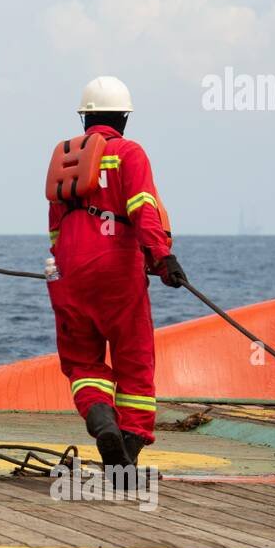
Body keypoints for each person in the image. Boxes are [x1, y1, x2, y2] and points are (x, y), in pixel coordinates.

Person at [45, 76, 186, 468]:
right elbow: (144, 208)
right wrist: (162, 258)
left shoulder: (65, 161)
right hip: (117, 270)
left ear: (83, 119)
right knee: (134, 358)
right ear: (124, 117)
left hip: (67, 273)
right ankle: (129, 444)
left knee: (82, 361)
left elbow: (54, 229)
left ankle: (101, 416)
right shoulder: (130, 153)